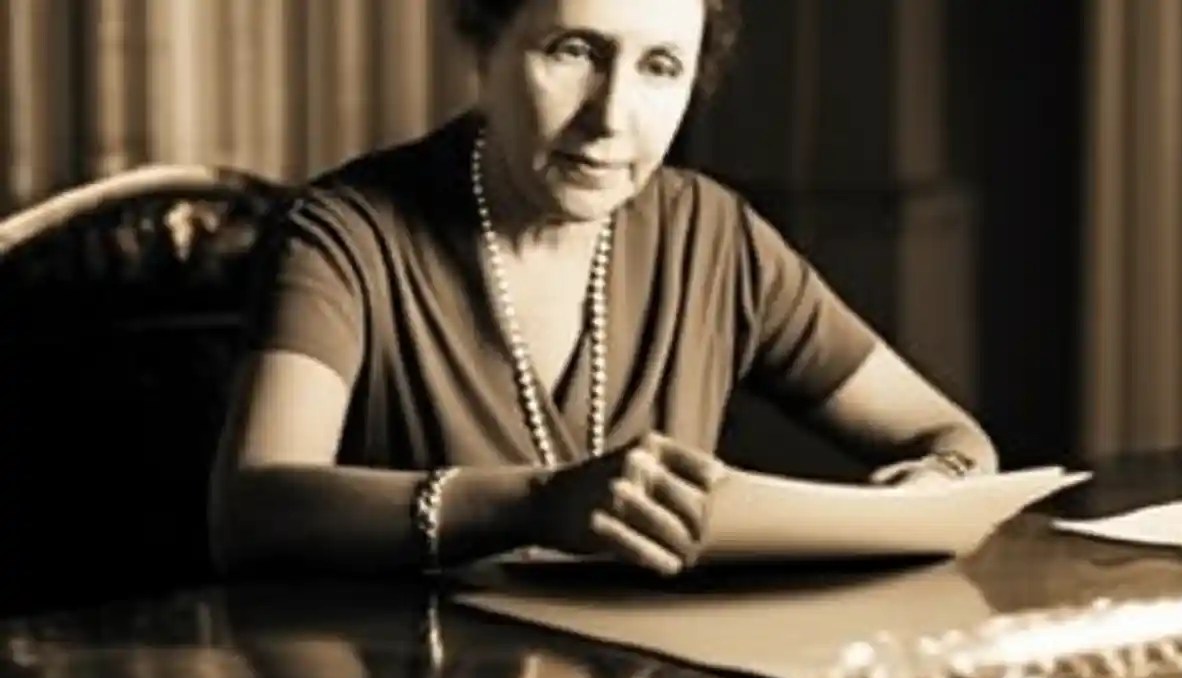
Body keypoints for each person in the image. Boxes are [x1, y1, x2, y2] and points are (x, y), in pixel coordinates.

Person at [210, 0, 997, 579]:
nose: (611, 117)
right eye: (575, 50)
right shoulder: (345, 233)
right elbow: (254, 510)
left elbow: (952, 438)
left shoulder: (714, 237)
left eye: (660, 67)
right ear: (486, 46)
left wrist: (929, 490)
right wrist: (536, 504)